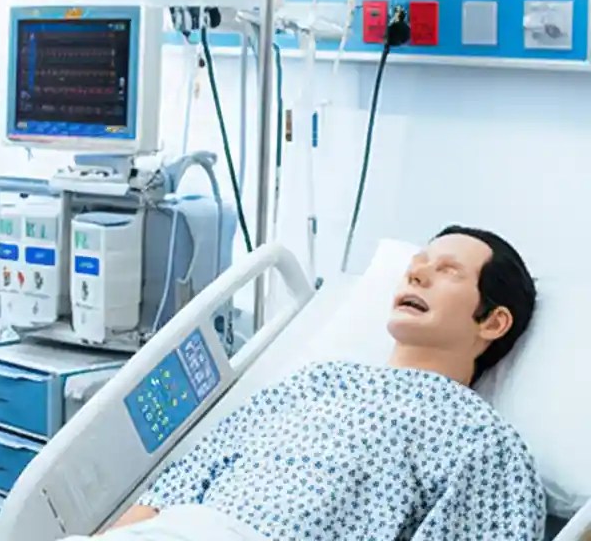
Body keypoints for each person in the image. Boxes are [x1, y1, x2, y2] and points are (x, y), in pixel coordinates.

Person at [98, 225, 546, 541]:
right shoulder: (318, 380)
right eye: (416, 265)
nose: (416, 274)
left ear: (492, 322)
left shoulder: (481, 439)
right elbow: (173, 491)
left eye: (448, 271)